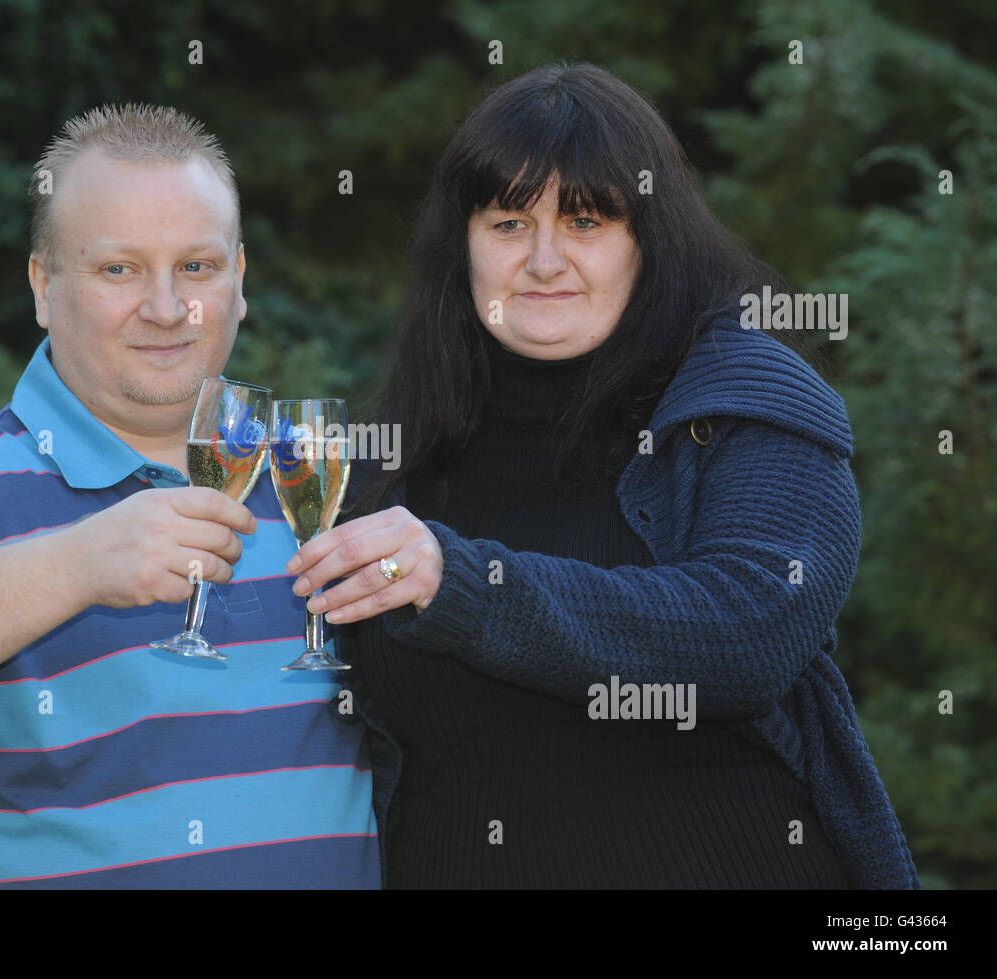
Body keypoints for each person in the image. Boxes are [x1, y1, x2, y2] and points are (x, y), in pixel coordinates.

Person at [287, 63, 919, 889]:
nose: (544, 259)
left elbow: (751, 629)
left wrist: (467, 583)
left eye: (585, 220)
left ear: (648, 242)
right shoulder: (399, 453)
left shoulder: (743, 400)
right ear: (464, 246)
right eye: (508, 222)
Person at [0, 103, 379, 889]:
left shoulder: (317, 486)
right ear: (43, 286)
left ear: (240, 279)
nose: (166, 307)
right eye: (118, 269)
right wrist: (78, 563)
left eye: (196, 266)